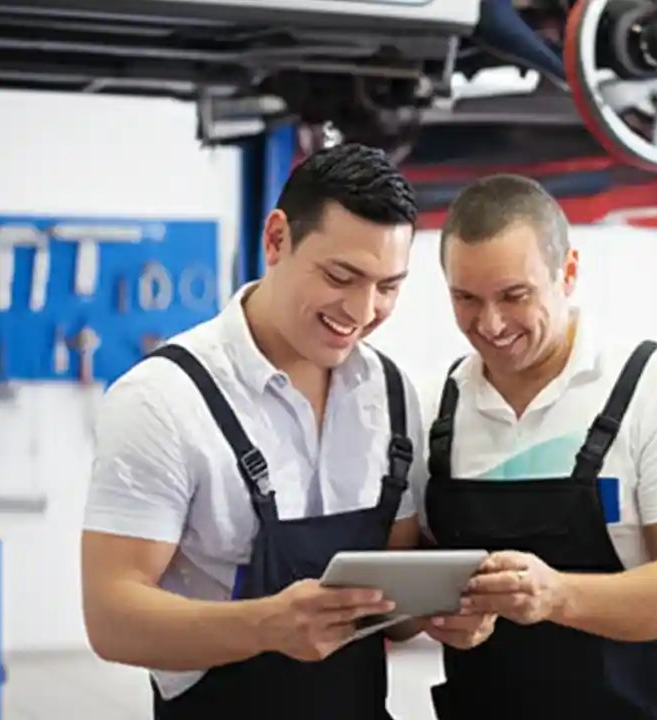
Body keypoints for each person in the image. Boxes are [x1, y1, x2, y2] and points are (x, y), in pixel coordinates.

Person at [80, 143, 463, 720]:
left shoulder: (391, 394)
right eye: (342, 276)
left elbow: (398, 613)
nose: (362, 311)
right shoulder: (162, 401)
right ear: (277, 238)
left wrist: (445, 606)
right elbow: (112, 621)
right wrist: (267, 626)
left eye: (388, 286)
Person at [417, 174, 657, 719]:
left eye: (515, 296)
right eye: (466, 298)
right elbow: (412, 568)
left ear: (567, 273)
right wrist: (433, 610)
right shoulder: (434, 408)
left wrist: (555, 595)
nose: (490, 324)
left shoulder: (655, 390)